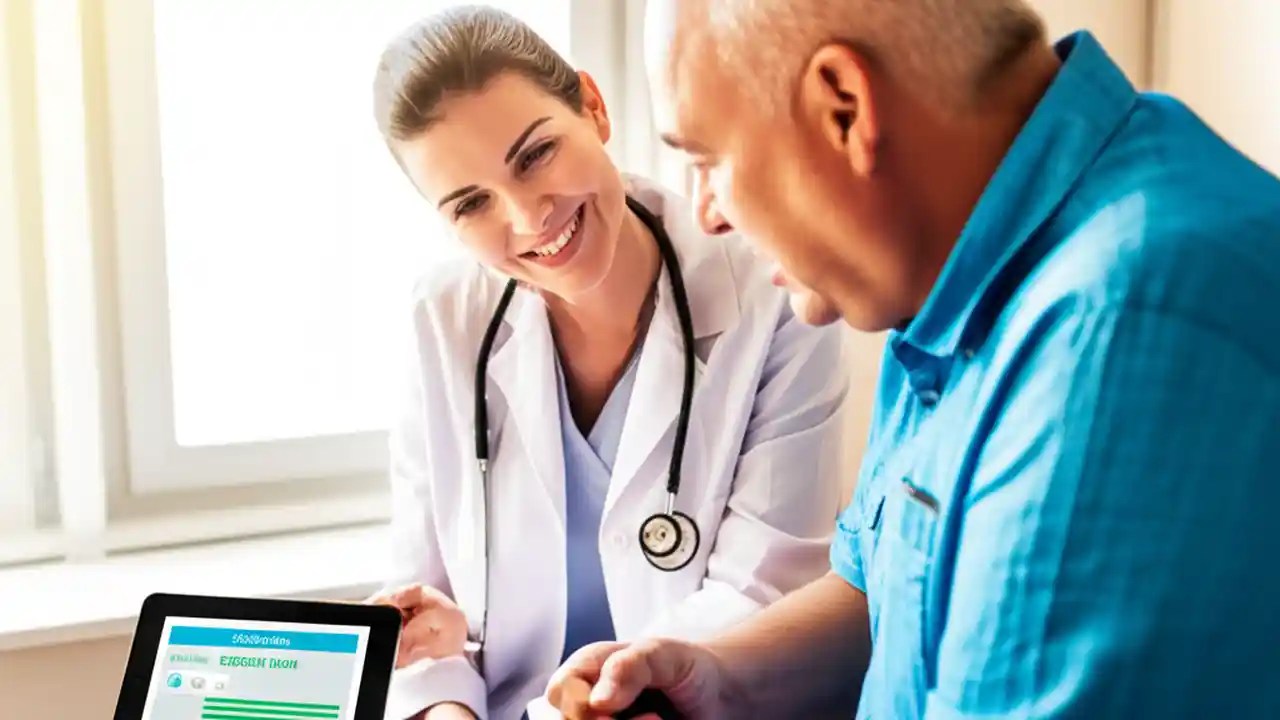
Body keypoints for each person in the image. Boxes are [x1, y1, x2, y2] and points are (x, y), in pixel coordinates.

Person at [547, 0, 1280, 717]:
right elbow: (887, 591)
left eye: (708, 159)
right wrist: (714, 682)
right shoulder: (946, 272)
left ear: (844, 107)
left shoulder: (1121, 338)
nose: (708, 211)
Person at [366, 6, 850, 720]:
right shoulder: (442, 321)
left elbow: (761, 597)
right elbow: (422, 629)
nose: (529, 218)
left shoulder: (772, 288)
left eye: (534, 156)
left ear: (592, 107)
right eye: (472, 204)